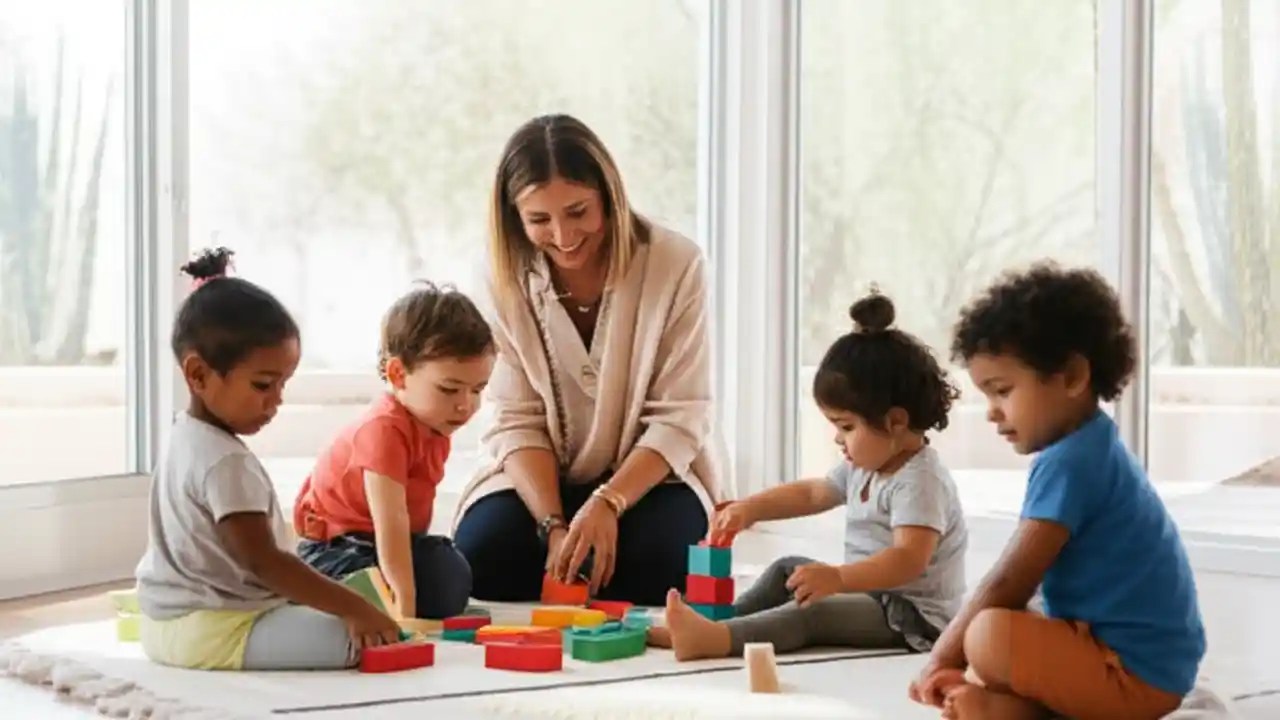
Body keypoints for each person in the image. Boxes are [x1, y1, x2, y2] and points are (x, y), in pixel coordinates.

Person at [910, 263, 1206, 720]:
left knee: (988, 635)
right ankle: (1006, 710)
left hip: (1131, 675)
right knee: (1006, 631)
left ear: (1071, 377)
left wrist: (942, 657)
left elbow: (1011, 579)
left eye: (1002, 390)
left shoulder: (1072, 462)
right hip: (1149, 667)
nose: (991, 412)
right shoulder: (1092, 446)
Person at [452, 114, 720, 605]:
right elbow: (516, 419)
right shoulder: (497, 275)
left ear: (608, 197)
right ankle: (572, 551)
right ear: (514, 218)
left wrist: (608, 502)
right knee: (480, 560)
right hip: (540, 481)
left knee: (663, 564)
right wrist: (553, 526)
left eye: (578, 212)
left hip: (648, 478)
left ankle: (596, 556)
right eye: (539, 220)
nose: (564, 235)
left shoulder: (677, 263)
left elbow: (680, 417)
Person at [652, 291, 968, 661]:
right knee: (787, 571)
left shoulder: (920, 481)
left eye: (846, 426)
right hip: (869, 595)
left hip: (912, 616)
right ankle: (725, 622)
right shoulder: (864, 467)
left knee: (812, 610)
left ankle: (717, 639)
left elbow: (908, 559)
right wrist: (750, 508)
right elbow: (814, 494)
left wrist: (839, 578)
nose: (838, 438)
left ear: (896, 421)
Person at [135, 247, 400, 671]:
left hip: (160, 626)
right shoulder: (225, 462)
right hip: (219, 630)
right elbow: (264, 562)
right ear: (198, 374)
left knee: (349, 606)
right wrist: (353, 608)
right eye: (263, 385)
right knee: (367, 636)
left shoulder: (183, 435)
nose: (276, 400)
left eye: (283, 384)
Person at [293, 283, 494, 620]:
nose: (465, 405)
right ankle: (318, 593)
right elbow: (392, 523)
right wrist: (406, 610)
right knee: (428, 584)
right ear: (398, 375)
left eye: (478, 390)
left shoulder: (434, 421)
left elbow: (411, 525)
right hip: (336, 548)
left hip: (378, 543)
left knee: (449, 573)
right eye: (449, 389)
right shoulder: (384, 430)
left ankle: (369, 595)